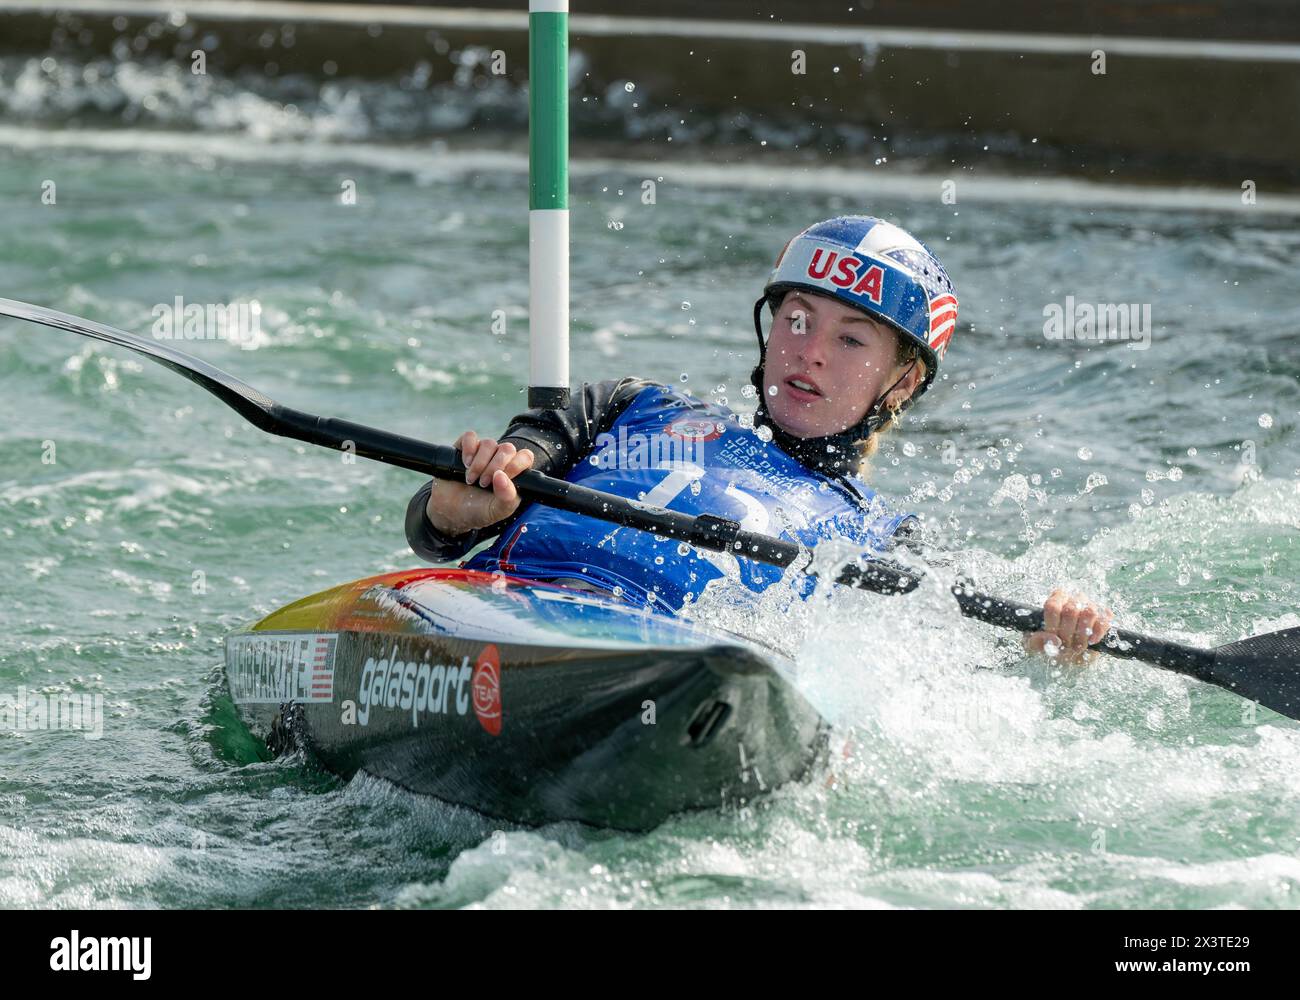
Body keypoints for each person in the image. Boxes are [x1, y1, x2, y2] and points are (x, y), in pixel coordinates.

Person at [406, 215, 1113, 662]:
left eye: (852, 339)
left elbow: (965, 649)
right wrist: (453, 510)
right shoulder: (630, 405)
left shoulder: (886, 538)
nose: (810, 353)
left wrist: (1046, 637)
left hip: (674, 672)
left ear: (900, 384)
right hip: (502, 613)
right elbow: (441, 520)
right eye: (797, 320)